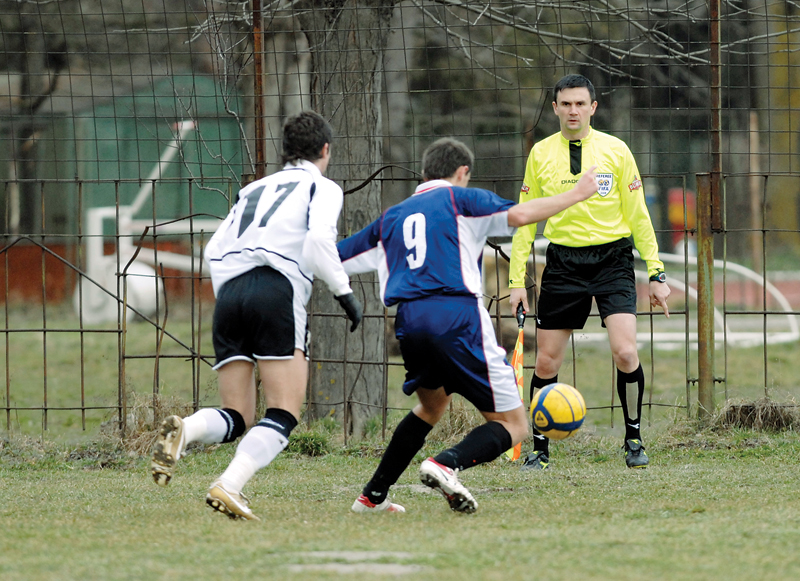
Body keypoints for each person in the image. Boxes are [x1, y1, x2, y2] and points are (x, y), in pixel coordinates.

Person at [337, 137, 598, 514]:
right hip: (456, 318)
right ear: (463, 172)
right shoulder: (462, 200)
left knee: (431, 407)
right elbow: (523, 214)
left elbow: (335, 256)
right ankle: (446, 464)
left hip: (408, 323)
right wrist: (576, 194)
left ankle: (372, 496)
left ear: (425, 173)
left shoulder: (392, 217)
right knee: (515, 425)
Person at [149, 110, 362, 520]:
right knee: (283, 411)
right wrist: (345, 293)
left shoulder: (254, 189)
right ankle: (229, 485)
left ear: (285, 152)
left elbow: (213, 249)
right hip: (274, 290)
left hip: (228, 294)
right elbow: (319, 240)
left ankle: (187, 429)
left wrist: (234, 290)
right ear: (325, 150)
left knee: (237, 416)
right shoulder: (323, 186)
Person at [508, 74, 671, 471]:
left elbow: (639, 216)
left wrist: (657, 272)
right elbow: (526, 220)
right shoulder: (541, 154)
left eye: (580, 103)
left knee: (626, 351)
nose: (573, 110)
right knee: (546, 363)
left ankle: (633, 439)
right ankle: (540, 449)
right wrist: (516, 281)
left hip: (613, 260)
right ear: (555, 108)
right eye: (566, 104)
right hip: (563, 263)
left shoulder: (616, 150)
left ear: (593, 107)